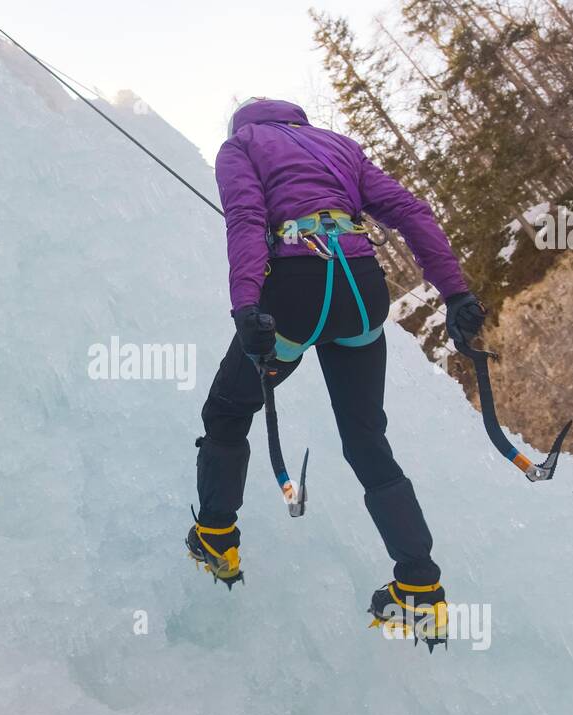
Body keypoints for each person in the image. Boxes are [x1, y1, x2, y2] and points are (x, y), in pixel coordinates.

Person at [184, 98, 486, 645]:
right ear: (296, 119)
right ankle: (419, 586)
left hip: (297, 296)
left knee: (228, 411)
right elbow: (412, 212)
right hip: (362, 292)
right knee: (367, 438)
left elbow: (248, 220)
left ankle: (216, 535)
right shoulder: (340, 147)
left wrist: (246, 303)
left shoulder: (241, 147)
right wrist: (456, 292)